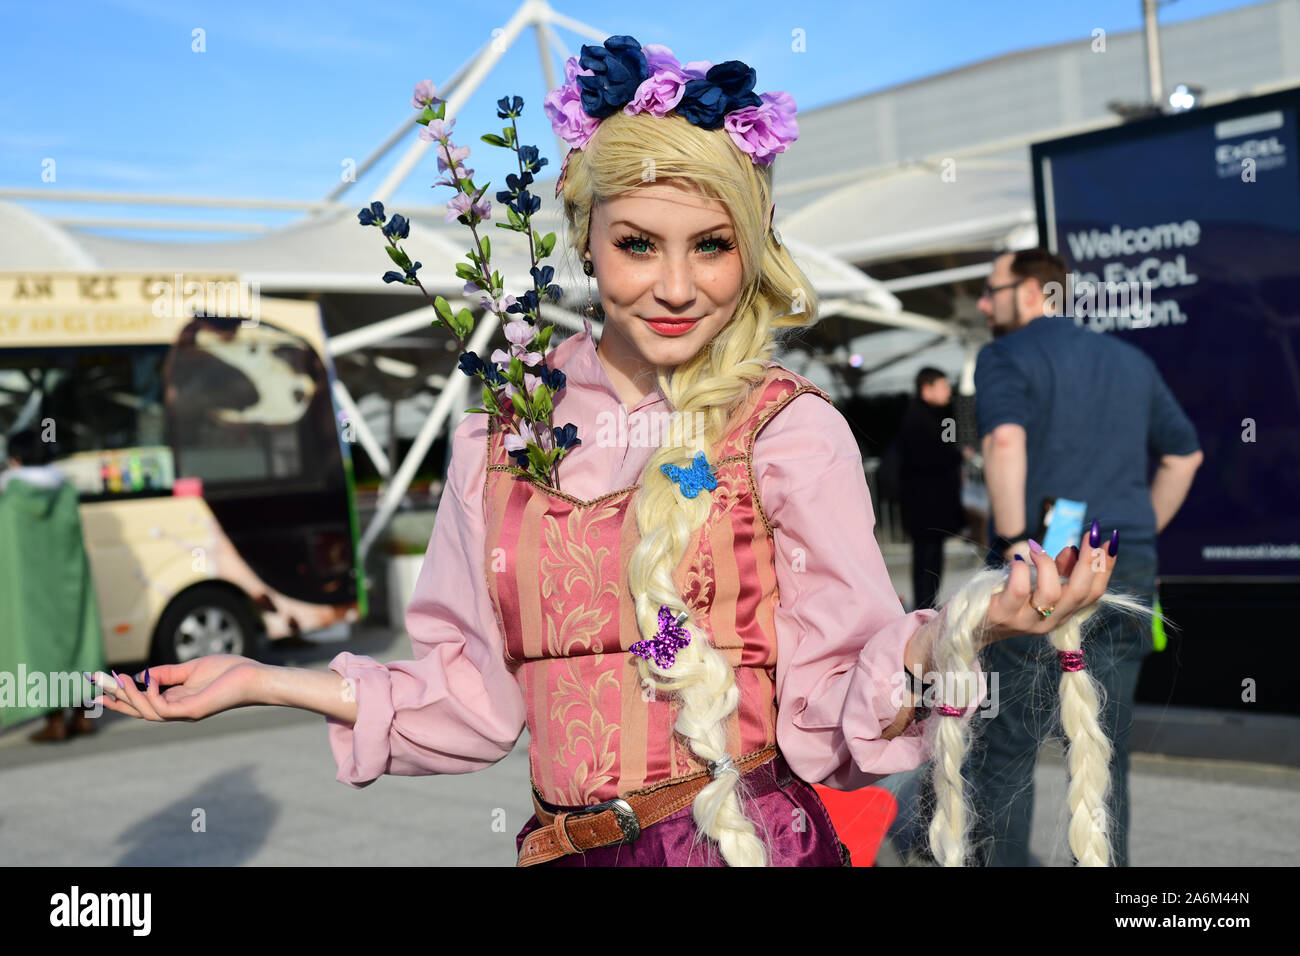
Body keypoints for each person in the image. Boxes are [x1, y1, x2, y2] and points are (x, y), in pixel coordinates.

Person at [92, 37, 1129, 868]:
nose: (676, 287)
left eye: (711, 245)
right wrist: (269, 680)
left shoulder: (786, 427)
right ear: (585, 240)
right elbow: (471, 701)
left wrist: (964, 623)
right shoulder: (497, 438)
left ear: (751, 251)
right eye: (637, 243)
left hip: (738, 840)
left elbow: (829, 701)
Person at [968, 247, 1203, 866]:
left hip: (1039, 567)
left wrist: (1017, 539)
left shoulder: (1002, 357)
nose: (984, 303)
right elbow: (1185, 456)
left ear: (1031, 292)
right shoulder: (1130, 361)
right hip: (1121, 565)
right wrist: (1140, 526)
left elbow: (1004, 438)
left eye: (992, 289)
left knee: (1007, 742)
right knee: (1103, 745)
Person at [0, 429, 104, 741]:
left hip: (29, 590)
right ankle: (85, 716)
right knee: (80, 640)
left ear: (15, 459)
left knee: (39, 647)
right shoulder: (66, 493)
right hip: (71, 582)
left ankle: (55, 720)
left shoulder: (11, 499)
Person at [898, 367, 969, 610]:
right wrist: (957, 456)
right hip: (924, 504)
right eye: (943, 386)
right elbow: (933, 456)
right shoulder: (916, 418)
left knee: (933, 556)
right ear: (927, 389)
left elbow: (948, 444)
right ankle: (924, 607)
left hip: (934, 504)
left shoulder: (940, 416)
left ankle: (928, 605)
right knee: (926, 558)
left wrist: (955, 453)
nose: (948, 390)